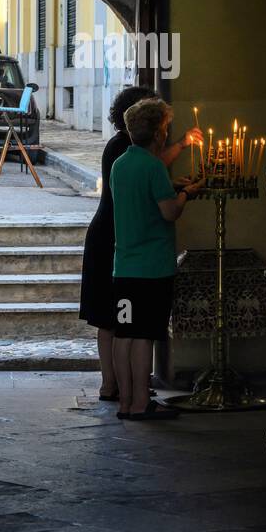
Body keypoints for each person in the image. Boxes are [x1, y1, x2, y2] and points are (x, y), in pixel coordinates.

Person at [79, 86, 202, 402]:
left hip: (115, 238)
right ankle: (119, 387)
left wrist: (170, 180)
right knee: (115, 321)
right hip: (113, 238)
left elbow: (145, 178)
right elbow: (154, 172)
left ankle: (123, 390)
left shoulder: (123, 150)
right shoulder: (127, 148)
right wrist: (183, 188)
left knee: (117, 322)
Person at [110, 98, 204, 420]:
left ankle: (125, 403)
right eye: (165, 128)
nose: (166, 134)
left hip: (123, 267)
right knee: (145, 337)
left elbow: (142, 198)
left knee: (124, 335)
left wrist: (170, 186)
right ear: (158, 133)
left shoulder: (121, 165)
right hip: (152, 268)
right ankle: (141, 403)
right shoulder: (153, 167)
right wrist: (186, 193)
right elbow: (169, 211)